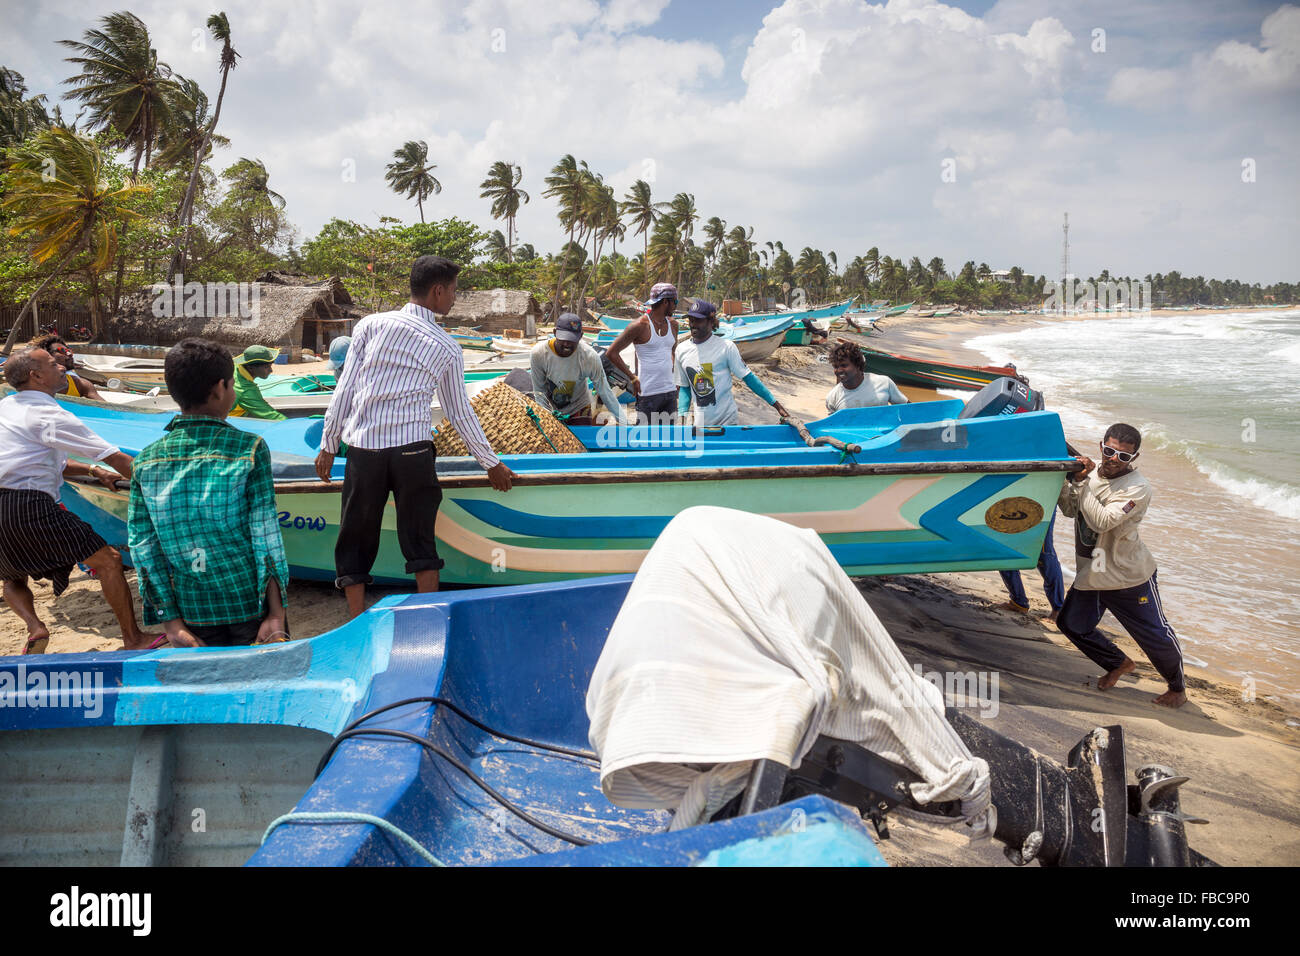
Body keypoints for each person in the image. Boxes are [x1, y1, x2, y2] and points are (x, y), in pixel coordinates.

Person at [314, 255, 516, 618]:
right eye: (453, 291)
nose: (454, 299)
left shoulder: (370, 325)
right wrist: (491, 463)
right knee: (419, 537)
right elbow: (458, 412)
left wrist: (328, 445)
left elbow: (344, 389)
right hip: (413, 452)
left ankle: (357, 616)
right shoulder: (447, 347)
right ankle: (425, 613)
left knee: (356, 535)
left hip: (364, 449)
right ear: (437, 291)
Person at [127, 339, 290, 648]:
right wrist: (276, 614)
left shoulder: (145, 461)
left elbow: (144, 549)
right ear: (220, 388)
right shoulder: (249, 449)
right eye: (231, 385)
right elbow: (265, 535)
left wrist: (171, 624)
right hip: (250, 607)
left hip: (190, 614)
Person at [0, 347, 159, 653]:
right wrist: (163, 489)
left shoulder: (6, 408)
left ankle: (34, 626)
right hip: (27, 506)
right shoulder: (49, 413)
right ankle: (133, 638)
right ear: (36, 376)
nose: (62, 368)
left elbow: (42, 462)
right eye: (53, 365)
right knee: (109, 561)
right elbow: (118, 458)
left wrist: (91, 470)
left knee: (11, 575)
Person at [1056, 424, 1187, 708]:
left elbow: (1102, 521)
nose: (1115, 459)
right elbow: (1069, 509)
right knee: (1071, 624)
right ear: (1101, 445)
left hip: (1127, 576)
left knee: (1155, 636)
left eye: (1124, 456)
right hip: (1093, 573)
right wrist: (1067, 478)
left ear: (1134, 458)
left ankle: (1178, 688)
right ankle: (1118, 663)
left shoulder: (1137, 488)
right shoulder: (1090, 475)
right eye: (1111, 451)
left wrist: (1081, 482)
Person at [675, 300, 790, 425]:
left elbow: (749, 379)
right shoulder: (681, 350)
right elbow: (685, 387)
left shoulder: (726, 347)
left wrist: (777, 406)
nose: (693, 324)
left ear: (711, 321)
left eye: (698, 320)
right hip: (701, 424)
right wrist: (682, 416)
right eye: (691, 320)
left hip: (727, 422)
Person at [529, 313, 625, 426]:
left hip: (579, 406)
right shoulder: (539, 354)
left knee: (581, 440)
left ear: (580, 336)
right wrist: (546, 419)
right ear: (555, 333)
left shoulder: (589, 357)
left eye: (571, 340)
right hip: (551, 407)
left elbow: (605, 391)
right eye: (563, 338)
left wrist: (625, 423)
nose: (566, 344)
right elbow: (540, 393)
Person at [605, 282, 680, 425]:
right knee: (646, 440)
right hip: (648, 393)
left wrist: (674, 376)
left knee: (669, 439)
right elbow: (611, 353)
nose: (676, 306)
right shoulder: (639, 326)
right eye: (675, 301)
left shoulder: (673, 325)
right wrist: (632, 378)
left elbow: (671, 351)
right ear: (665, 302)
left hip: (670, 392)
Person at [999, 511, 1064, 619]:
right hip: (1008, 497)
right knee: (1004, 546)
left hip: (1042, 499)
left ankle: (1058, 608)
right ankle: (1018, 602)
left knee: (1042, 552)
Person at [824, 341, 908, 412]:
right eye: (836, 367)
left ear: (857, 365)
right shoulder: (832, 398)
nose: (839, 370)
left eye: (844, 365)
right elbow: (832, 426)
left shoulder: (884, 382)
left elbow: (907, 408)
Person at [31, 334, 102, 401]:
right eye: (62, 351)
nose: (70, 354)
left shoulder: (80, 384)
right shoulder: (34, 385)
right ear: (47, 355)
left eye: (69, 350)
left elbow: (105, 408)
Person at [230, 345, 287, 421]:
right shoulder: (245, 390)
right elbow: (271, 415)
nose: (271, 370)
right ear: (250, 368)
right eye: (266, 367)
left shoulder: (235, 367)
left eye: (270, 366)